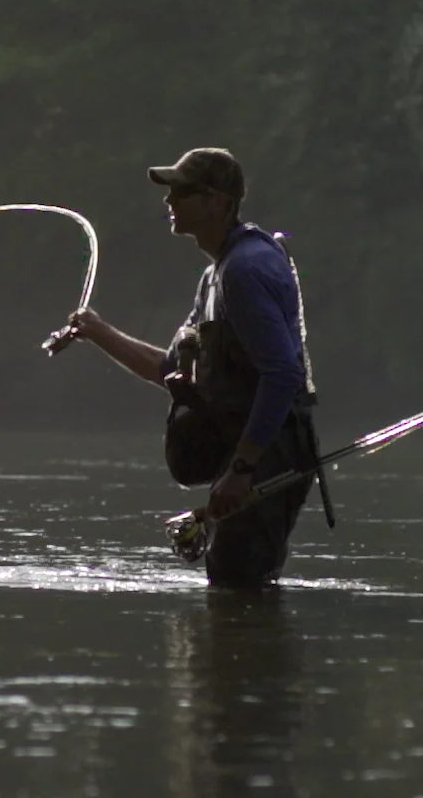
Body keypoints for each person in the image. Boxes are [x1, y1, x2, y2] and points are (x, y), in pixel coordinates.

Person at [66, 147, 325, 587]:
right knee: (232, 587)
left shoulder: (244, 271)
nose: (169, 200)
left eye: (182, 191)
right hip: (249, 450)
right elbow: (169, 368)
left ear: (218, 202)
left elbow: (283, 375)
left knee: (238, 584)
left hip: (269, 451)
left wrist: (242, 469)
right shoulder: (215, 276)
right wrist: (97, 331)